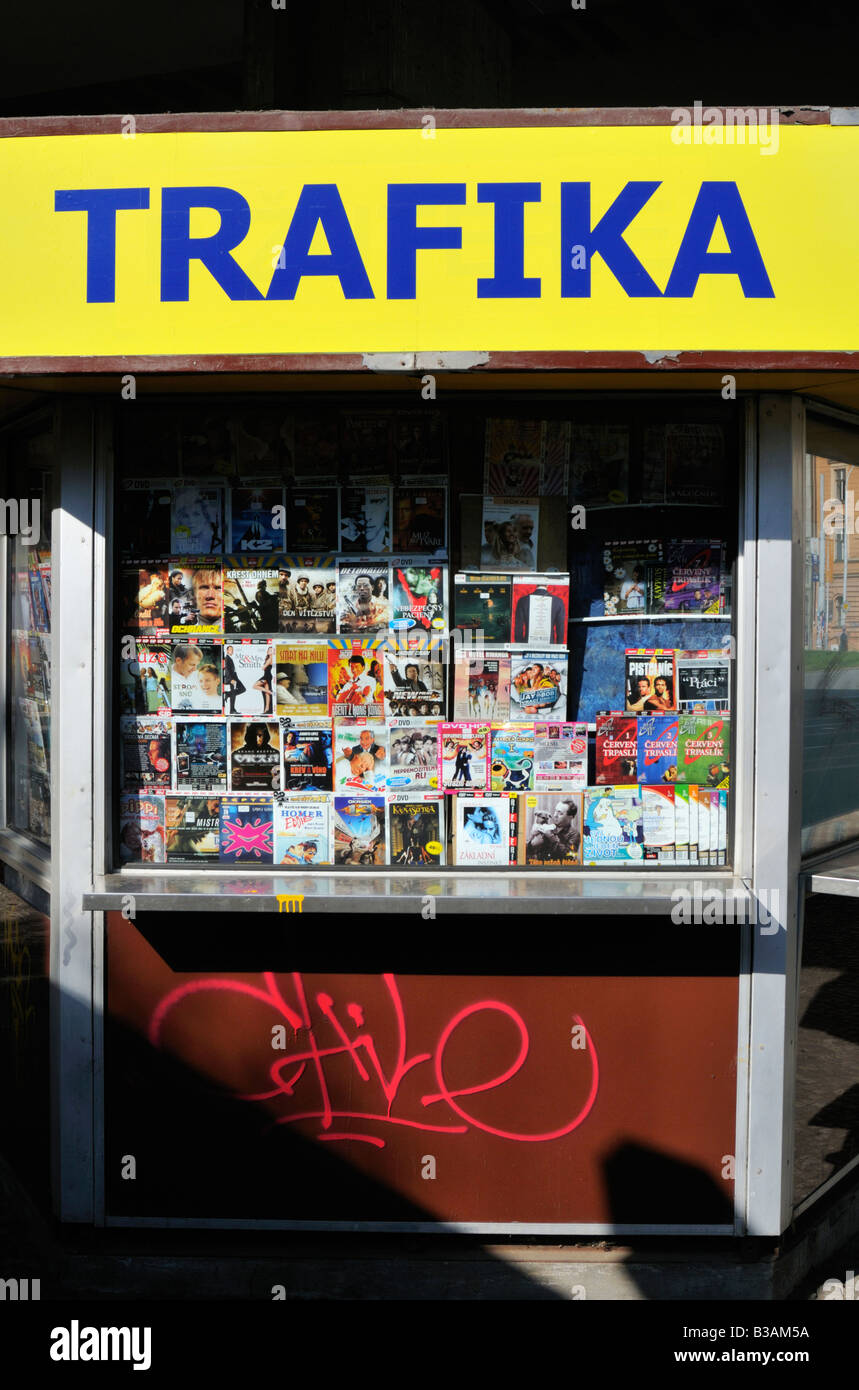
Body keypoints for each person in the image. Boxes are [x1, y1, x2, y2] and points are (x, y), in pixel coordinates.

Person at [222, 644, 246, 716]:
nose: (232, 651)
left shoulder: (230, 658)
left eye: (232, 650)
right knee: (233, 693)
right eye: (230, 650)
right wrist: (230, 680)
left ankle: (227, 694)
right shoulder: (227, 658)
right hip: (231, 678)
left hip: (235, 677)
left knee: (242, 689)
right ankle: (232, 710)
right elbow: (227, 670)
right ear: (227, 651)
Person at [252, 647, 273, 714]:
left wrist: (264, 666)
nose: (270, 651)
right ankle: (266, 710)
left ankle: (269, 691)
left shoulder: (270, 658)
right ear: (267, 651)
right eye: (269, 650)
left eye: (271, 650)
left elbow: (263, 668)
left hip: (266, 677)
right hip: (267, 676)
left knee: (254, 686)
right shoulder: (269, 658)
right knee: (266, 694)